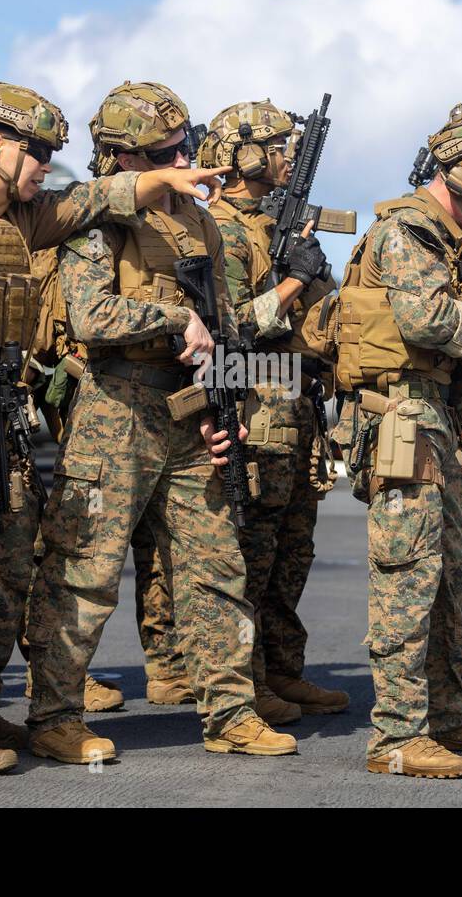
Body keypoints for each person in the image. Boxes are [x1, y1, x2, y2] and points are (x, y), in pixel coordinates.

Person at [0, 81, 226, 772]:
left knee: (10, 566)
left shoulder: (25, 219)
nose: (46, 163)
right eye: (37, 150)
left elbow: (97, 199)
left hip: (0, 417)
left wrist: (163, 173)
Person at [24, 81, 295, 763]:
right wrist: (177, 320)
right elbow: (90, 318)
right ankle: (55, 716)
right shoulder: (97, 219)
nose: (185, 158)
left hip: (187, 414)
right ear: (124, 158)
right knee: (84, 567)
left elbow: (228, 325)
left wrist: (218, 404)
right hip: (116, 409)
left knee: (215, 567)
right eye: (168, 151)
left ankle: (230, 713)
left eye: (185, 144)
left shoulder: (200, 221)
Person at [331, 103, 462, 778]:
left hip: (431, 420)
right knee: (408, 578)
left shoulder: (446, 246)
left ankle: (448, 717)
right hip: (398, 424)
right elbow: (423, 322)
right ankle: (395, 738)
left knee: (450, 578)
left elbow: (447, 374)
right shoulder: (407, 233)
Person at [195, 99, 348, 723]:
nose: (287, 157)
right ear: (247, 157)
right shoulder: (222, 232)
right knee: (250, 560)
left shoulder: (279, 227)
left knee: (293, 556)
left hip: (299, 411)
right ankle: (246, 681)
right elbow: (227, 335)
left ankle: (283, 671)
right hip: (256, 413)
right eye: (277, 147)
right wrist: (290, 283)